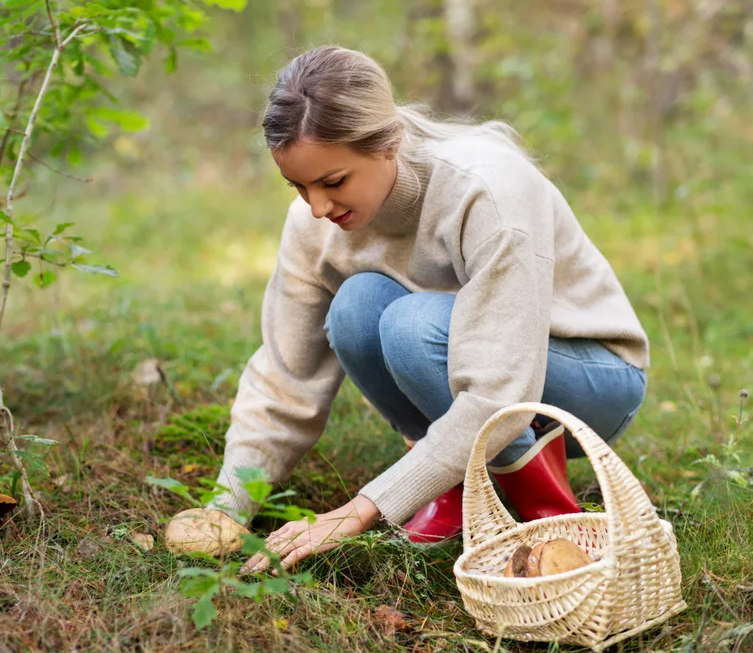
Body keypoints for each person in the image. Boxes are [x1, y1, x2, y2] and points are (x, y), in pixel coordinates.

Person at [204, 45, 649, 574]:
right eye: (298, 186)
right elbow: (286, 375)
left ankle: (546, 509)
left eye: (333, 181)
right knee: (356, 307)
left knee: (411, 325)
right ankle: (452, 478)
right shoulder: (314, 225)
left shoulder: (486, 191)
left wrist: (358, 511)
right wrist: (228, 506)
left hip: (588, 378)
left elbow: (496, 390)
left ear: (389, 144)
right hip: (471, 367)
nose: (317, 207)